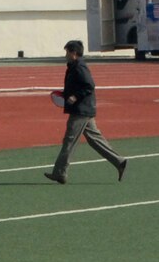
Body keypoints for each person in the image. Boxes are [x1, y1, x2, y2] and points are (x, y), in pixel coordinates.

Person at [46, 39, 128, 184]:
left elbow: (89, 85)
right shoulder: (74, 66)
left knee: (69, 140)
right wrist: (65, 94)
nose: (65, 55)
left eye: (67, 52)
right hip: (84, 109)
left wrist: (75, 96)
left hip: (81, 111)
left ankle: (60, 173)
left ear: (74, 53)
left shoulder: (79, 67)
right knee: (95, 140)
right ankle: (119, 161)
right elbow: (77, 86)